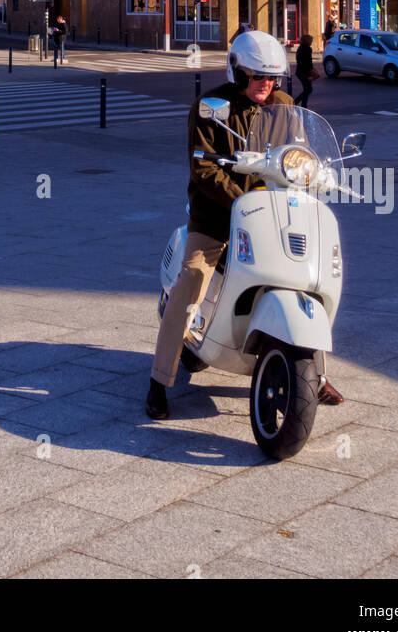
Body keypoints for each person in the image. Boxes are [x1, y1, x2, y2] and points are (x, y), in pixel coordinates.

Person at [146, 30, 342, 421]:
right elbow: (203, 168)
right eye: (257, 78)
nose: (265, 86)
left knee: (308, 278)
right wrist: (240, 200)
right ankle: (158, 382)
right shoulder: (210, 107)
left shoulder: (285, 106)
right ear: (238, 73)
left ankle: (313, 373)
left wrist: (316, 172)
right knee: (191, 281)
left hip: (272, 212)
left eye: (272, 78)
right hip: (217, 216)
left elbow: (299, 154)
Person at [293, 33, 316, 106]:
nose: (312, 42)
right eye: (311, 41)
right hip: (304, 72)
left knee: (307, 89)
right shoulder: (307, 49)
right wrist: (309, 73)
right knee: (308, 89)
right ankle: (295, 102)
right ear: (308, 41)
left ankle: (303, 105)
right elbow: (308, 62)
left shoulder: (300, 48)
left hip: (300, 72)